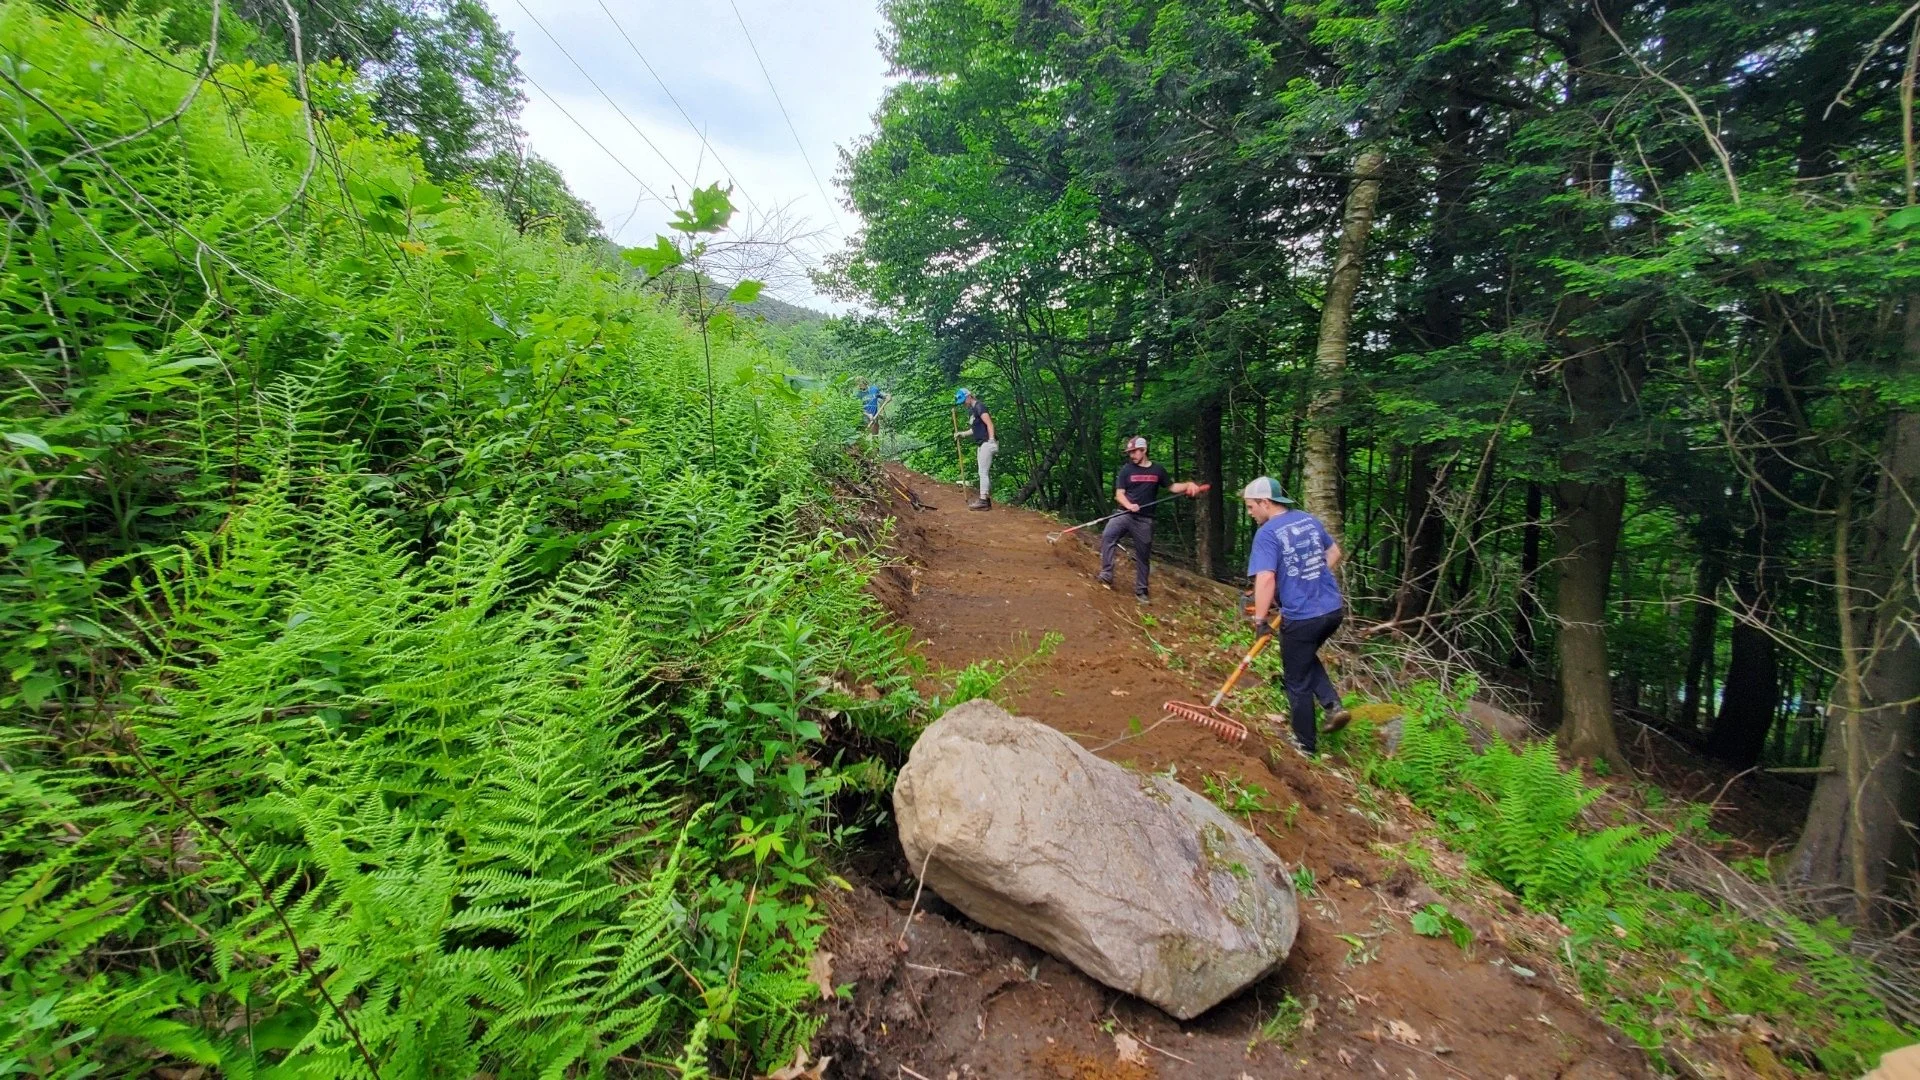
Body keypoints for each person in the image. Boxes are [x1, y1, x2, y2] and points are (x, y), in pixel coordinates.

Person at [1242, 476, 1352, 755]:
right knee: (1302, 658)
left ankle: (1305, 745)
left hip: (1303, 617)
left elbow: (1265, 579)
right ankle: (1332, 705)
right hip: (1331, 610)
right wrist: (1309, 576)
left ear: (1265, 503)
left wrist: (1260, 621)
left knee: (1296, 678)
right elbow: (1335, 552)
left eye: (1251, 506)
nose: (1250, 512)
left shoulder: (1267, 534)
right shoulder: (1307, 519)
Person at [1098, 436, 1203, 603]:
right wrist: (1129, 505)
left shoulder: (1158, 470)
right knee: (1108, 535)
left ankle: (1141, 590)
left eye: (1134, 452)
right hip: (1124, 514)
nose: (1131, 455)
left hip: (1145, 519)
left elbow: (1172, 487)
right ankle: (1106, 574)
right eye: (1130, 452)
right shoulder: (1126, 470)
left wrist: (1189, 485)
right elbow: (1119, 494)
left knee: (1143, 555)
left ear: (1144, 450)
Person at [953, 388, 997, 510]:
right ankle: (986, 500)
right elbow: (975, 429)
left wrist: (992, 440)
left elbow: (989, 423)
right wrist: (962, 434)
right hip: (981, 443)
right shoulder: (972, 411)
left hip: (987, 442)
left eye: (964, 401)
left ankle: (983, 500)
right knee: (982, 471)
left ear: (969, 396)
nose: (963, 404)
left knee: (983, 472)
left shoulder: (980, 407)